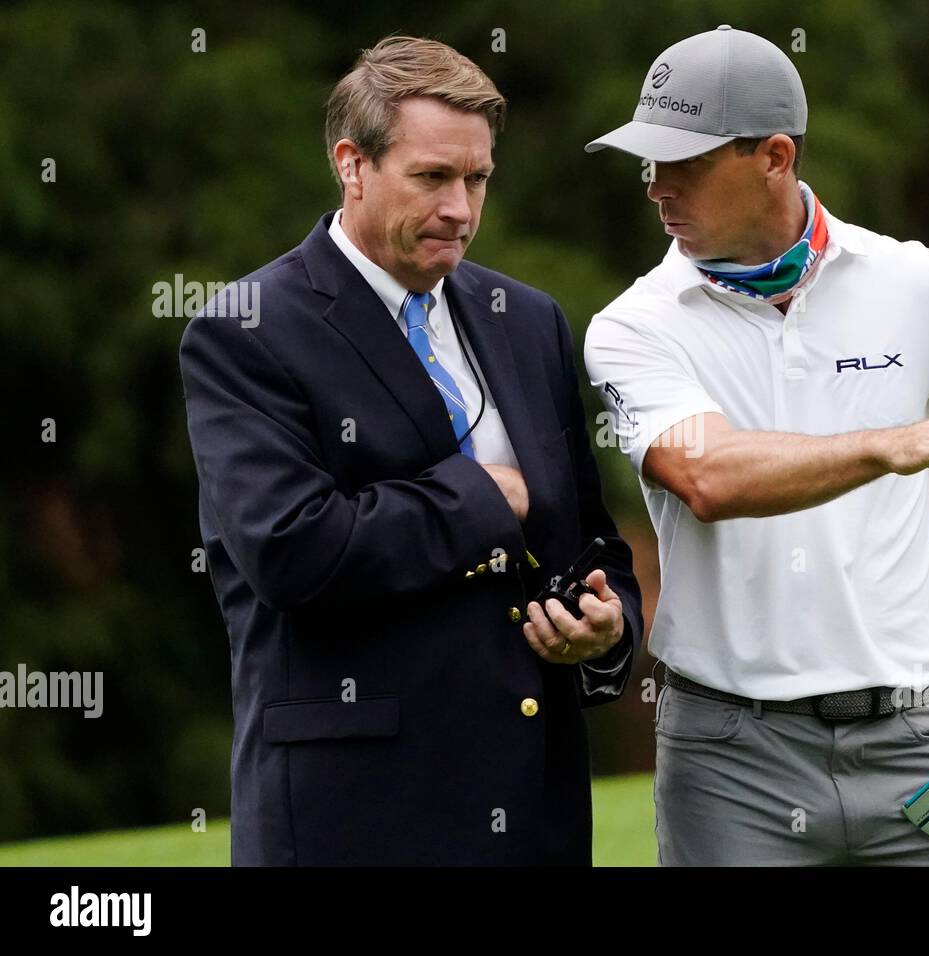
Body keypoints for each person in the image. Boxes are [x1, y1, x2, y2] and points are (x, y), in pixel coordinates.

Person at [584, 25, 929, 865]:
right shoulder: (633, 325)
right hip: (729, 759)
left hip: (912, 738)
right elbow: (707, 474)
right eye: (649, 160)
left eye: (686, 162)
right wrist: (893, 444)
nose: (657, 186)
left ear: (775, 157)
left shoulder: (913, 282)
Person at [179, 35, 642, 865]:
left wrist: (606, 628)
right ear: (351, 165)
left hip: (532, 815)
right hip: (352, 819)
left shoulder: (527, 319)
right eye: (432, 177)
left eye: (478, 179)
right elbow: (293, 550)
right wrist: (479, 497)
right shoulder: (244, 327)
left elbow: (585, 535)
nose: (461, 208)